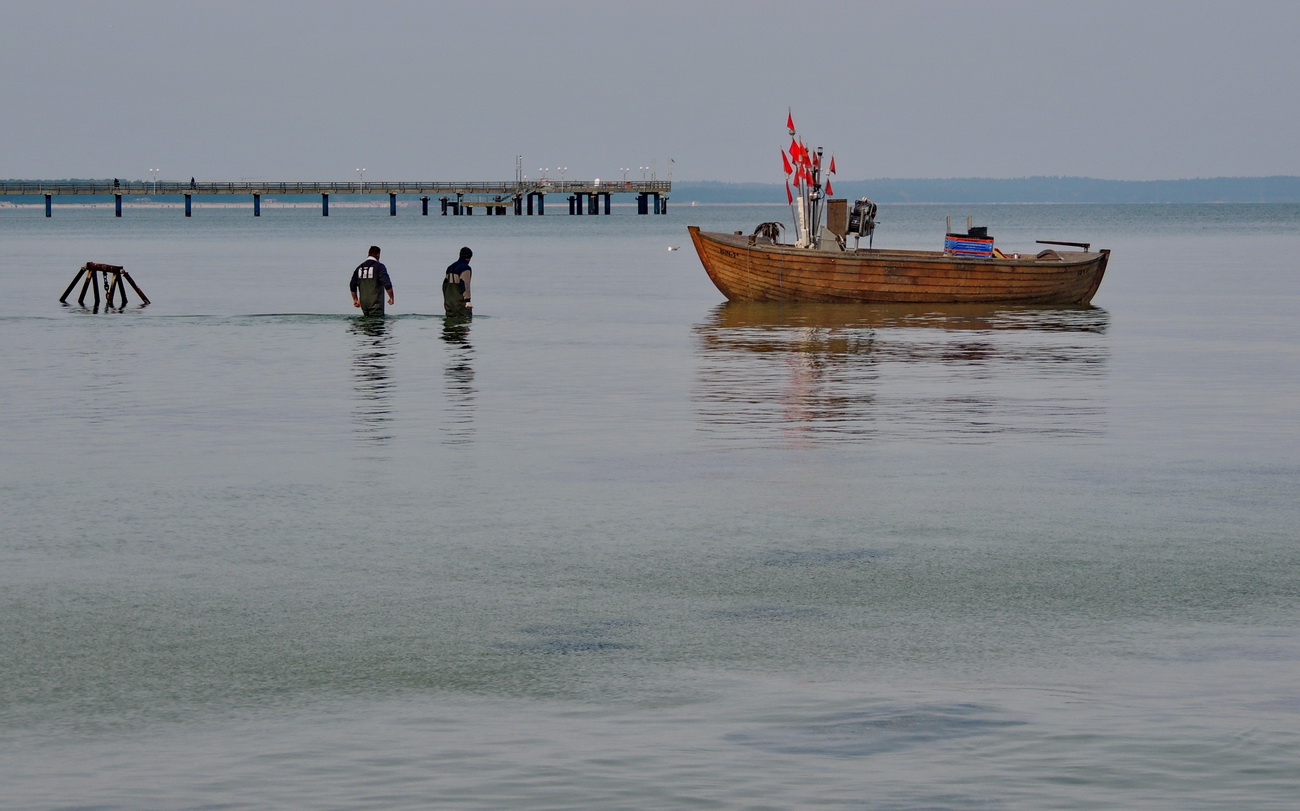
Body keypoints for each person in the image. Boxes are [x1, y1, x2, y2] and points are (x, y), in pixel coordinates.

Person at [350, 245, 394, 317]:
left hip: (364, 304)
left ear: (368, 253)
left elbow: (352, 285)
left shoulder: (359, 267)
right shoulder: (379, 267)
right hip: (376, 303)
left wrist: (355, 299)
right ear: (378, 254)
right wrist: (391, 297)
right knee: (376, 325)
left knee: (366, 326)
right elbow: (387, 284)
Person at [443, 246, 473, 318]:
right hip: (460, 302)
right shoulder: (466, 268)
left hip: (448, 302)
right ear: (469, 257)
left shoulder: (450, 267)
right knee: (465, 323)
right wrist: (468, 301)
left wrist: (446, 299)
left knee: (449, 325)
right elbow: (465, 285)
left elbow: (444, 285)